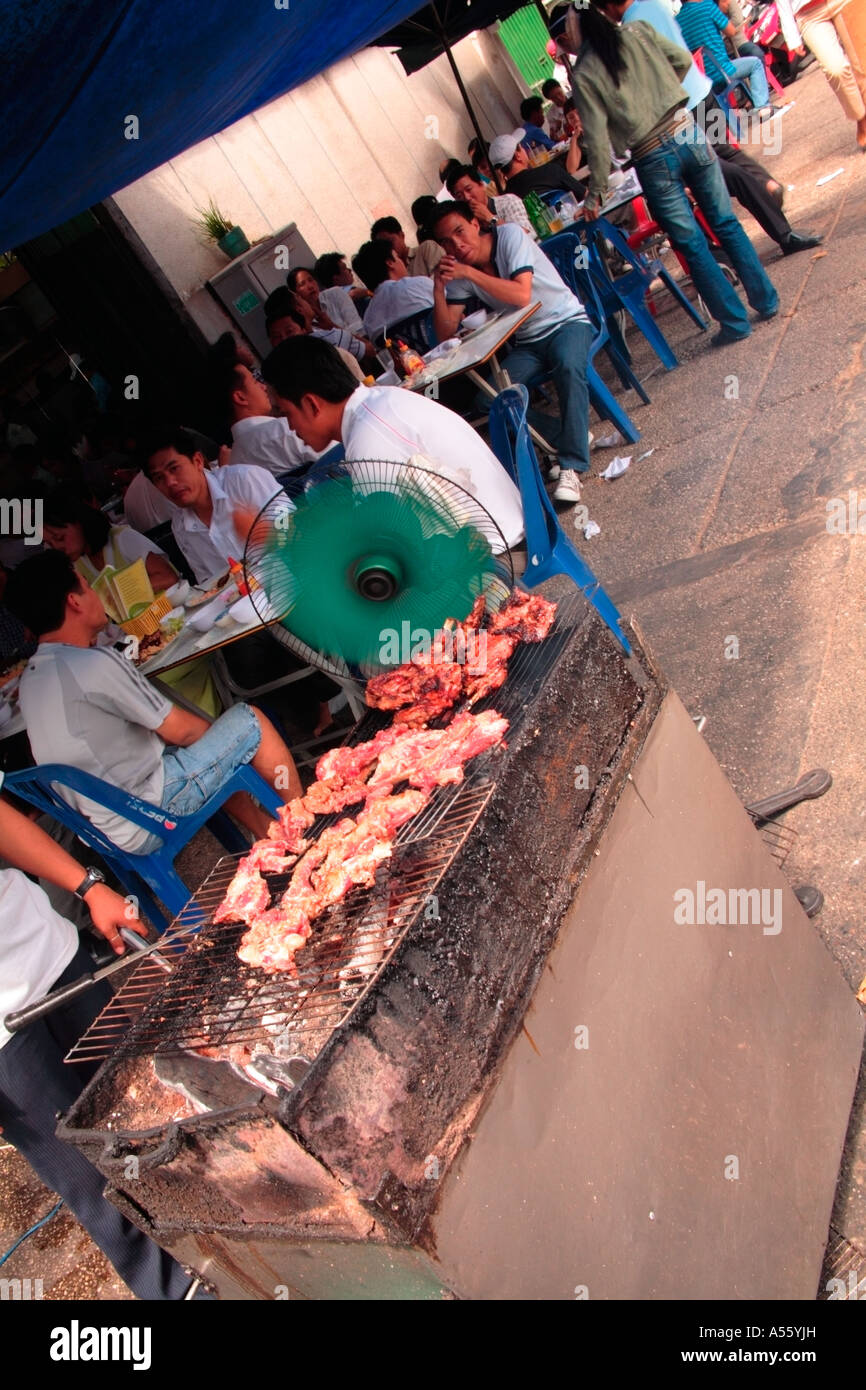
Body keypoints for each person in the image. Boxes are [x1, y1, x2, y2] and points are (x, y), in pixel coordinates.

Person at [0, 792, 206, 1299]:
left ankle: (236, 1235)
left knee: (150, 1107)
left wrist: (88, 887)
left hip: (47, 951)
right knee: (93, 1181)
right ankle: (179, 1291)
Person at [5, 550, 301, 854]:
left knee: (208, 751)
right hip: (148, 814)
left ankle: (269, 834)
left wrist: (219, 747)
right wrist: (227, 740)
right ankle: (303, 825)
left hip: (104, 830)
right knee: (250, 721)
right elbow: (181, 731)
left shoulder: (29, 681)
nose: (95, 596)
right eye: (88, 586)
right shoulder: (92, 664)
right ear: (74, 601)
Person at [555, 0, 780, 345]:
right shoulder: (638, 32)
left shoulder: (584, 74)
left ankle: (735, 324)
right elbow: (682, 60)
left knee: (691, 243)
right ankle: (767, 301)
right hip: (687, 129)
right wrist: (663, 94)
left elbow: (598, 143)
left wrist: (595, 194)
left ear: (571, 38)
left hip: (651, 155)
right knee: (725, 222)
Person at [599, 0, 823, 253]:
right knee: (725, 152)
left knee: (717, 168)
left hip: (679, 109)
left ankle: (764, 213)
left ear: (608, 7)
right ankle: (766, 185)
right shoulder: (656, 6)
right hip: (702, 92)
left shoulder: (630, 28)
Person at [262, 337, 525, 552]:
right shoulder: (380, 400)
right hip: (506, 522)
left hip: (494, 550)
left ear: (311, 404)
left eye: (286, 414)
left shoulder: (369, 436)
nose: (292, 428)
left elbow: (385, 538)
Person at [431, 201, 593, 504]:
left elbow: (521, 294)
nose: (456, 244)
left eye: (460, 232)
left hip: (566, 322)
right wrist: (439, 289)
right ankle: (571, 434)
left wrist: (468, 272)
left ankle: (572, 464)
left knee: (568, 367)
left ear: (475, 224)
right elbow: (444, 333)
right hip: (528, 342)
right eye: (446, 241)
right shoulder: (460, 272)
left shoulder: (509, 237)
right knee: (490, 400)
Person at [43, 489, 177, 593]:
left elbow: (168, 578)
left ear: (80, 523)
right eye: (49, 543)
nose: (57, 547)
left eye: (59, 538)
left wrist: (118, 595)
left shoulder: (122, 538)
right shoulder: (78, 563)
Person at [776, 0, 866, 147]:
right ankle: (860, 116)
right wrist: (791, 34)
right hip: (809, 14)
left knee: (862, 62)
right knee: (835, 69)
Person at [215, 354, 320, 476]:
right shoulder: (287, 429)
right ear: (240, 397)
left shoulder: (233, 464)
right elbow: (342, 456)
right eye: (255, 382)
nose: (263, 387)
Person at [675, 0, 774, 116]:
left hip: (702, 81)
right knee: (755, 64)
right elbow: (731, 31)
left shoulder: (676, 22)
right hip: (723, 71)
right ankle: (762, 107)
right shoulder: (707, 6)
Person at [263, 291, 366, 382]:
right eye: (277, 336)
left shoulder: (329, 341)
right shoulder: (332, 337)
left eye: (289, 332)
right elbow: (369, 350)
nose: (284, 339)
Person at [352, 240, 435, 347]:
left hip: (411, 361)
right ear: (390, 263)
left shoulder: (368, 320)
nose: (402, 262)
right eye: (397, 257)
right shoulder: (420, 284)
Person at [285, 267, 375, 365]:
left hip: (366, 346)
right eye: (302, 284)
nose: (310, 286)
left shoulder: (335, 294)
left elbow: (358, 329)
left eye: (311, 280)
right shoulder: (305, 322)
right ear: (296, 294)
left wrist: (333, 328)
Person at [488, 126, 587, 202]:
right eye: (521, 147)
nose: (524, 150)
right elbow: (585, 195)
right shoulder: (551, 171)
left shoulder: (509, 200)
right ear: (517, 155)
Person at [446, 164, 537, 237]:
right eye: (459, 195)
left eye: (469, 189)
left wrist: (491, 219)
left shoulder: (508, 202)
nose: (467, 197)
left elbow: (527, 236)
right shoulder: (466, 225)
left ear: (481, 185)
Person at [370, 215, 444, 278]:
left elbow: (446, 278)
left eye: (390, 242)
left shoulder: (426, 249)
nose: (389, 249)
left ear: (401, 235)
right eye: (384, 247)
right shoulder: (391, 275)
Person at [312, 252, 370, 322]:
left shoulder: (326, 303)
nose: (350, 270)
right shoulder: (353, 292)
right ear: (336, 278)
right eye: (345, 268)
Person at [542, 77, 571, 142]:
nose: (559, 98)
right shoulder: (551, 115)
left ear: (561, 88)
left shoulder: (574, 96)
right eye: (554, 97)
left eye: (559, 93)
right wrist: (556, 130)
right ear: (550, 99)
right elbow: (554, 137)